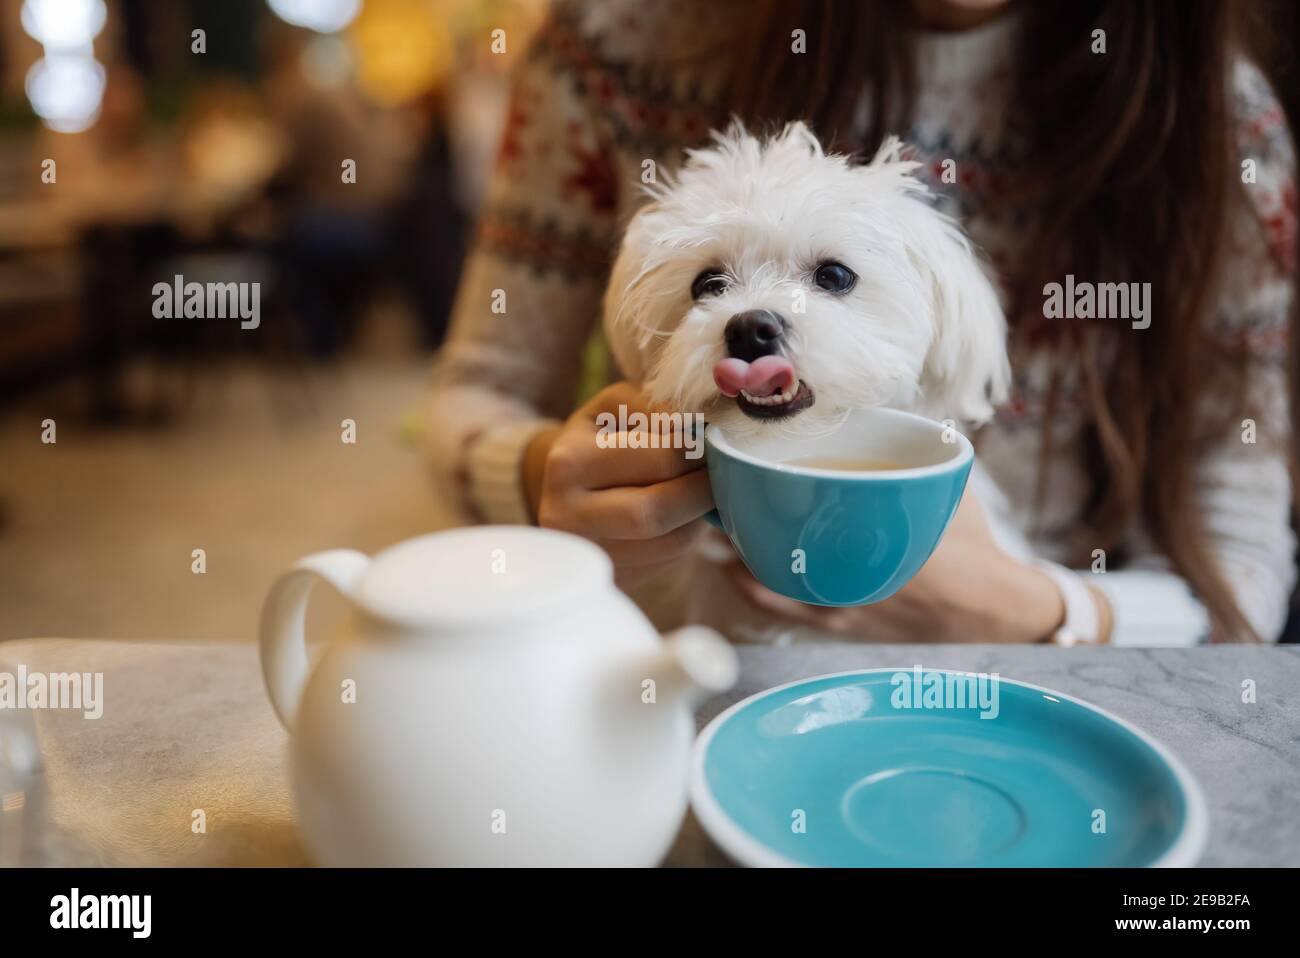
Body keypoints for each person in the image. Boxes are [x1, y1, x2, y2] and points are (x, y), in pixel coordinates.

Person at [427, 0, 1297, 645]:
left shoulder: (1218, 121)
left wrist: (1043, 611)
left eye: (833, 276)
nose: (754, 322)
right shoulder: (615, 39)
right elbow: (477, 396)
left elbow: (1241, 560)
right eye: (708, 286)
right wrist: (555, 483)